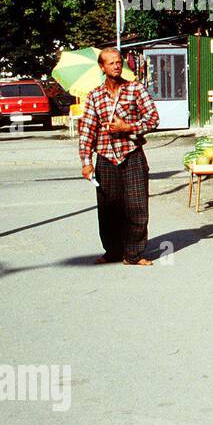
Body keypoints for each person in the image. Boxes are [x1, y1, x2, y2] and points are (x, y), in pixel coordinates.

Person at [77, 48, 160, 266]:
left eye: (118, 62)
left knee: (137, 206)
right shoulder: (95, 96)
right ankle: (113, 251)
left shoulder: (135, 89)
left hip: (131, 155)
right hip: (105, 157)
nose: (116, 65)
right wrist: (86, 163)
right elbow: (87, 131)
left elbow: (153, 119)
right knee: (108, 209)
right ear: (102, 67)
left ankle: (134, 254)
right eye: (110, 63)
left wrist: (127, 127)